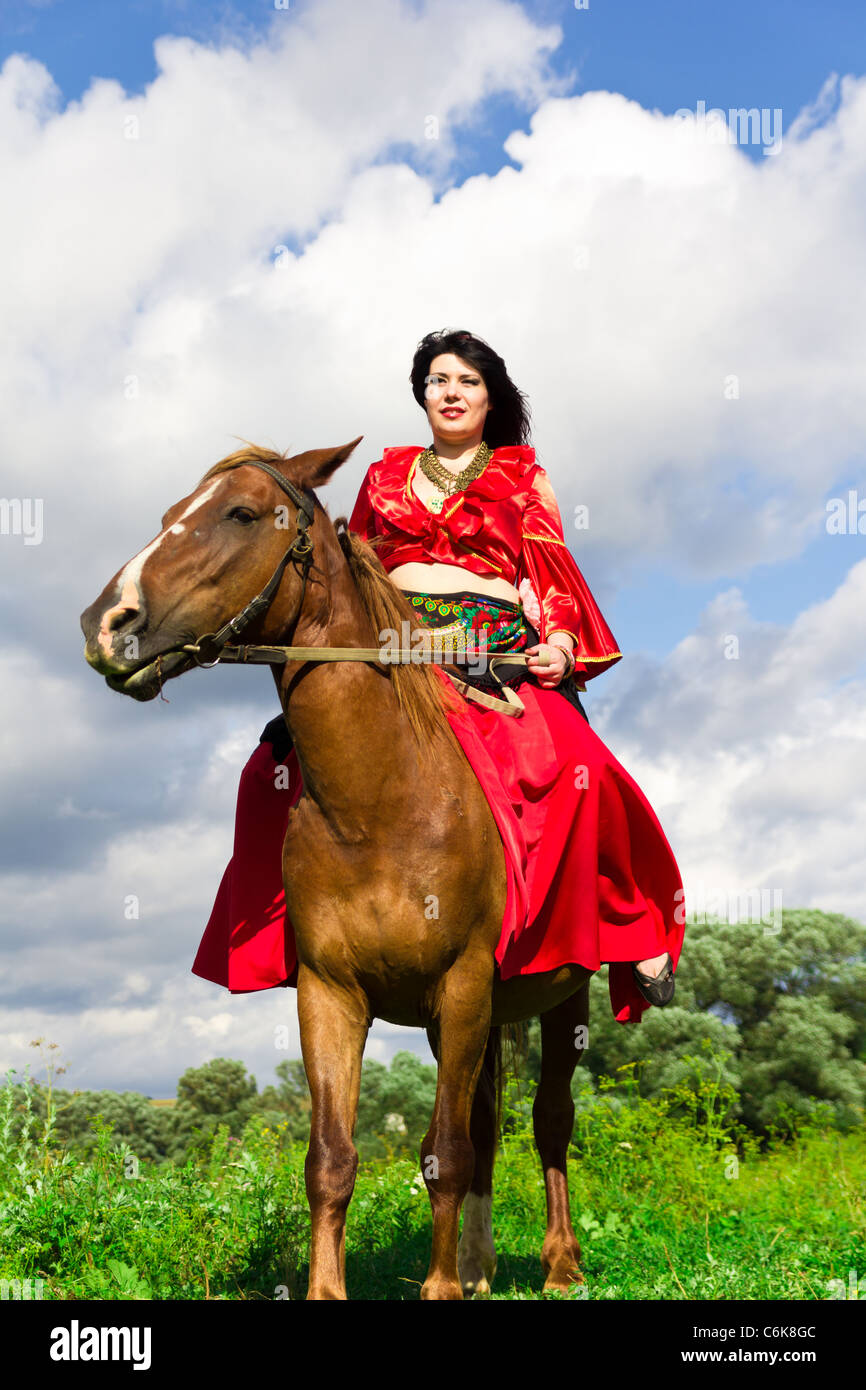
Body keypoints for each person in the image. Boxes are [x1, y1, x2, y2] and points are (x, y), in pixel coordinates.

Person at [193, 329, 684, 1022]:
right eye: (438, 381)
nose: (452, 393)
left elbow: (550, 572)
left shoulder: (522, 474)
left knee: (583, 767)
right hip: (399, 645)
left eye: (468, 382)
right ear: (422, 394)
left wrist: (564, 642)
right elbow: (352, 566)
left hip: (497, 645)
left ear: (490, 398)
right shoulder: (385, 476)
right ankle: (281, 941)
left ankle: (630, 926)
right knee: (269, 768)